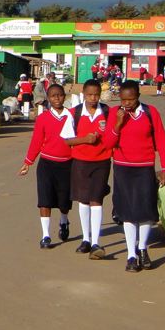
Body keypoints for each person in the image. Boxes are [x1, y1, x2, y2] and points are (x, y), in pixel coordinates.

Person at [103, 81, 165, 271]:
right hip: (122, 168)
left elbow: (162, 141)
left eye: (131, 100)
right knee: (128, 213)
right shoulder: (115, 113)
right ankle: (131, 255)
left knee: (145, 212)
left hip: (144, 168)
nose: (127, 104)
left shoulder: (150, 113)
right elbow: (108, 143)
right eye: (123, 100)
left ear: (138, 96)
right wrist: (117, 123)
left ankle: (143, 249)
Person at [17, 82, 73, 249]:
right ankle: (46, 235)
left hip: (67, 164)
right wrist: (28, 162)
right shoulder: (43, 119)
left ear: (65, 97)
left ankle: (64, 221)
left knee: (64, 201)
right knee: (45, 200)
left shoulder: (71, 116)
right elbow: (36, 142)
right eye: (53, 95)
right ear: (48, 98)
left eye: (60, 95)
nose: (57, 98)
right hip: (47, 164)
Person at [65, 78, 112, 258]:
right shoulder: (74, 113)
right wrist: (85, 139)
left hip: (102, 161)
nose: (93, 98)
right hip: (80, 161)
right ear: (83, 94)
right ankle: (85, 238)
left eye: (96, 95)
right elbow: (67, 140)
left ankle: (95, 242)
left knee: (96, 200)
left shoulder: (107, 112)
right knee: (83, 200)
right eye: (89, 94)